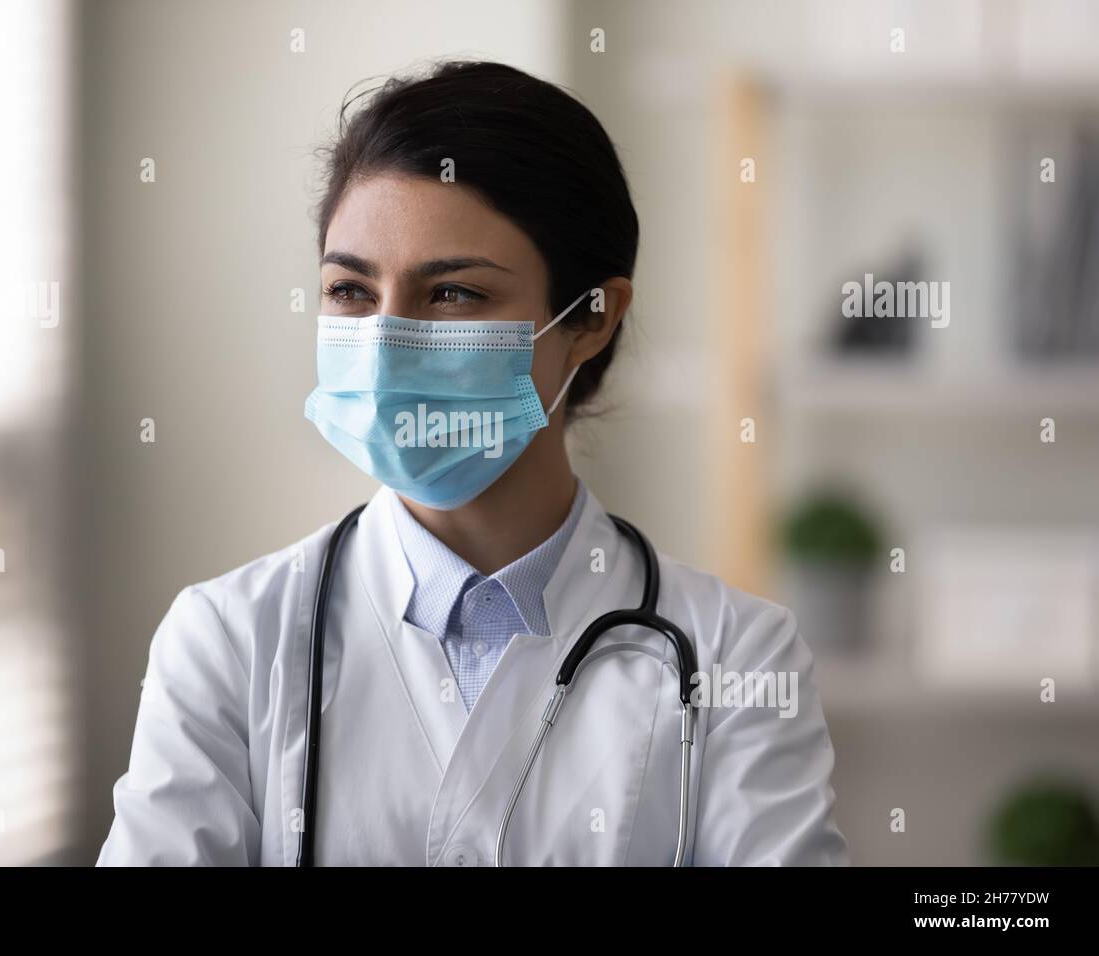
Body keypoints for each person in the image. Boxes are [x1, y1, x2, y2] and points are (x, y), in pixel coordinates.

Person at [98, 60, 849, 866]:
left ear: (592, 318)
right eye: (351, 291)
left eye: (453, 294)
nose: (387, 342)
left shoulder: (735, 656)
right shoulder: (230, 640)